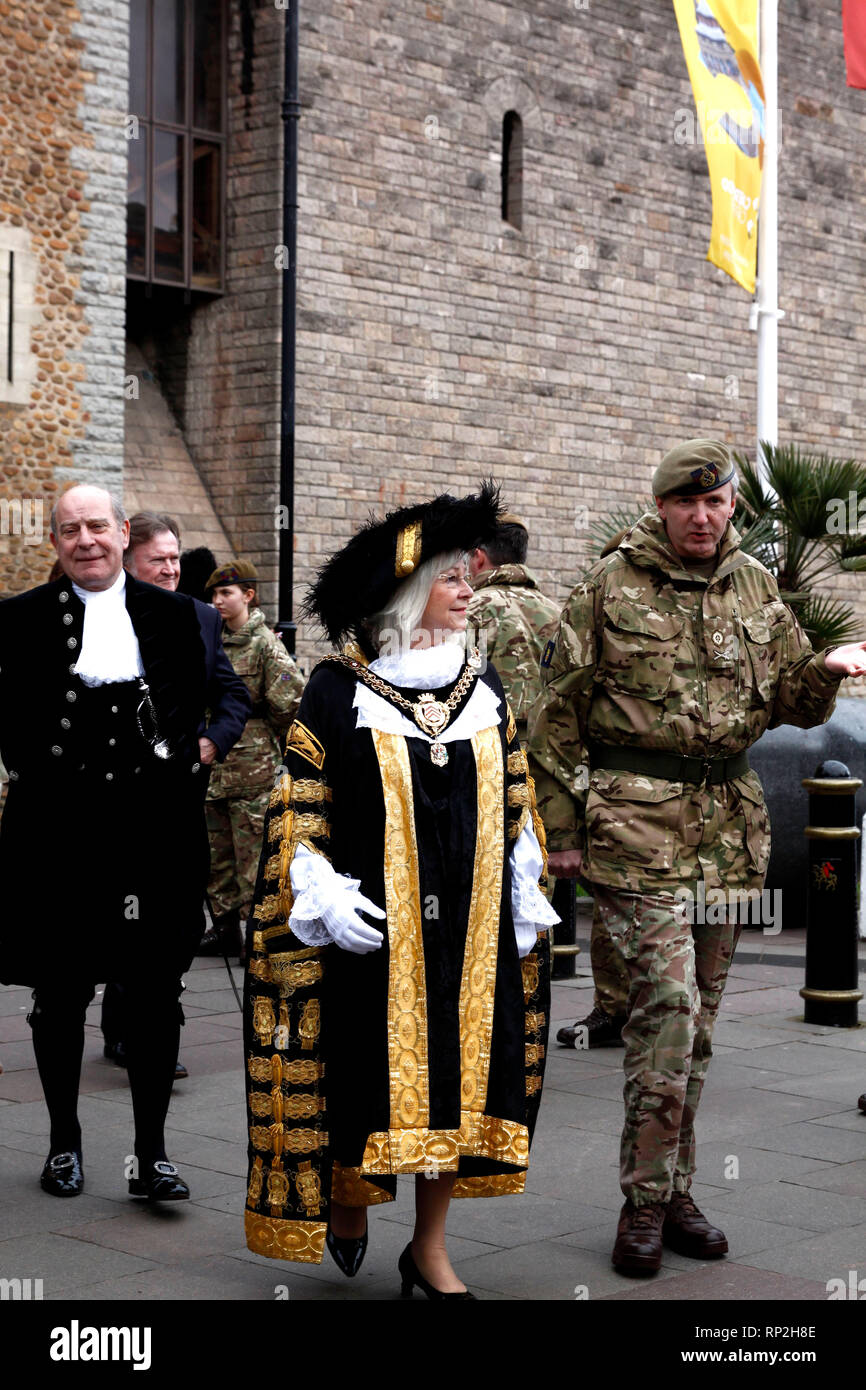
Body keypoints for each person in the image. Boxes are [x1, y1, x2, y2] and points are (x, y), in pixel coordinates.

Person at [528, 439, 866, 1276]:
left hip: (729, 831)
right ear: (664, 507)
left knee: (699, 1027)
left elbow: (788, 694)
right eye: (691, 504)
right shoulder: (611, 587)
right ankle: (643, 1203)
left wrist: (823, 670)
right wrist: (563, 831)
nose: (706, 518)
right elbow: (552, 715)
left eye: (719, 505)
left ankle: (677, 1191)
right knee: (667, 1011)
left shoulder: (754, 586)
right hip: (635, 831)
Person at [241, 484, 558, 1297]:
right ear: (410, 590)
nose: (469, 588)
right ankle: (350, 1200)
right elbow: (299, 801)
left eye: (469, 576)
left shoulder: (484, 688)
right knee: (363, 1080)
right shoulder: (337, 690)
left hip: (470, 933)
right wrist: (315, 885)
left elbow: (516, 797)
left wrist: (525, 883)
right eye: (454, 576)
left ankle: (429, 1249)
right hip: (374, 934)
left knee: (457, 1084)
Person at [0, 485, 245, 1203]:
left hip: (153, 837)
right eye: (70, 530)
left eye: (97, 526)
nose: (86, 540)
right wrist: (34, 766)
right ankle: (63, 1144)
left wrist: (195, 752)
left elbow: (217, 698)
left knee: (155, 993)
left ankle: (152, 1154)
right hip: (55, 836)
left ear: (120, 531)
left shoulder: (189, 618)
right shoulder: (17, 620)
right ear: (55, 542)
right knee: (62, 991)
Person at [98, 513, 251, 1075]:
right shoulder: (99, 617)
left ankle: (153, 1020)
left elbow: (232, 695)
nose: (170, 568)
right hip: (111, 800)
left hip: (178, 798)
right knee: (126, 915)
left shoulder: (200, 618)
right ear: (127, 560)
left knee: (177, 919)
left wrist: (213, 741)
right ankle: (127, 1030)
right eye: (157, 559)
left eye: (175, 558)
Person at [201, 560, 304, 957]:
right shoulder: (211, 638)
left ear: (248, 595)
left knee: (254, 856)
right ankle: (225, 930)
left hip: (253, 767)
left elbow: (290, 701)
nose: (218, 601)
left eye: (226, 593)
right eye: (214, 595)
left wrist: (275, 749)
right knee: (218, 856)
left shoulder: (264, 644)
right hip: (215, 765)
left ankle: (257, 935)